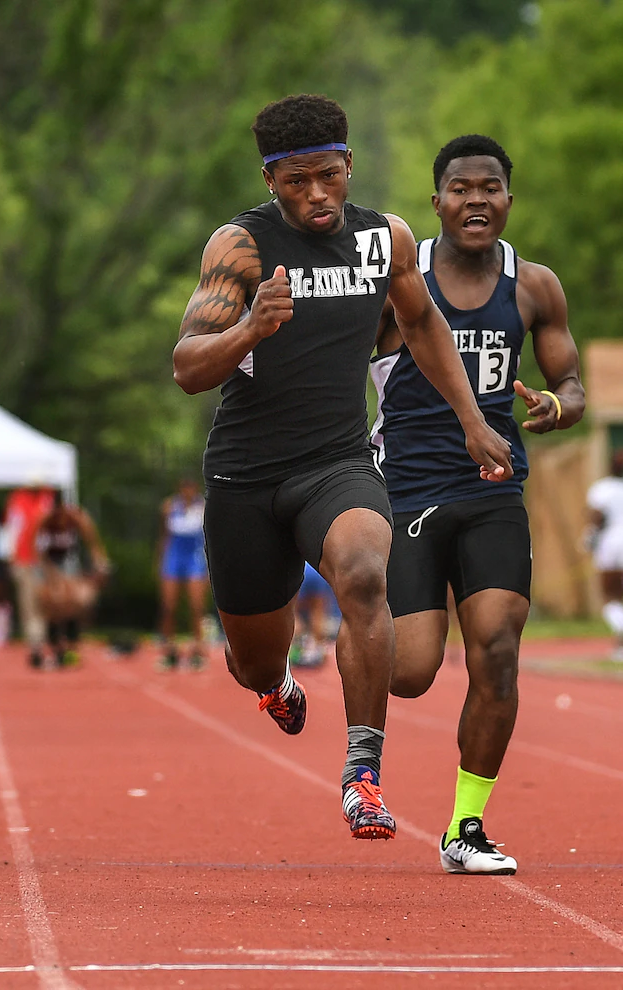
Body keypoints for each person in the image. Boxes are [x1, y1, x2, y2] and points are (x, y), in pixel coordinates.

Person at [172, 95, 513, 840]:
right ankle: (276, 682)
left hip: (337, 460)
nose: (317, 196)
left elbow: (422, 323)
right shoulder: (240, 248)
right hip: (246, 477)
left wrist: (472, 421)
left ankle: (363, 773)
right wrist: (250, 326)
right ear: (271, 181)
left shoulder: (384, 239)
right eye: (296, 183)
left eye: (328, 177)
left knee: (363, 572)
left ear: (349, 166)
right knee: (250, 664)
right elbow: (187, 367)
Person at [374, 134, 586, 874]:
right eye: (460, 189)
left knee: (497, 649)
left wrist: (558, 406)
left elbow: (573, 383)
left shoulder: (534, 287)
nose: (476, 201)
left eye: (490, 188)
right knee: (411, 671)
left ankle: (466, 826)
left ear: (508, 200)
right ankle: (352, 637)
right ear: (436, 203)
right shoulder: (404, 284)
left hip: (494, 489)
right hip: (406, 489)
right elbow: (338, 368)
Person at [30, 492, 109, 668]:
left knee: (75, 602)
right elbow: (37, 551)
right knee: (51, 602)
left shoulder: (77, 518)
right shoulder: (45, 521)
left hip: (68, 561)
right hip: (48, 562)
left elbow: (94, 543)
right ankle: (53, 646)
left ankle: (72, 645)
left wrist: (100, 563)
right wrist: (50, 577)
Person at [586, 448, 623, 660]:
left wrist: (588, 539)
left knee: (608, 593)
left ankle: (622, 631)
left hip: (609, 545)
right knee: (622, 594)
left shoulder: (601, 489)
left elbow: (596, 517)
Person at [156, 478, 209, 671]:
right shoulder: (169, 506)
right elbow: (164, 536)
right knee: (168, 606)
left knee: (196, 606)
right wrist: (160, 561)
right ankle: (169, 650)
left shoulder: (202, 507)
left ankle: (198, 650)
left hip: (194, 559)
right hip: (173, 558)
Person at [4, 485, 57, 665]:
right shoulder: (19, 499)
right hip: (25, 559)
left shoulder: (46, 497)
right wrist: (12, 554)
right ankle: (36, 642)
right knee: (29, 603)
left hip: (43, 561)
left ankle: (45, 639)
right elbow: (13, 527)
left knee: (44, 602)